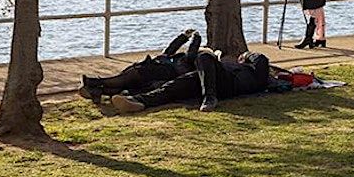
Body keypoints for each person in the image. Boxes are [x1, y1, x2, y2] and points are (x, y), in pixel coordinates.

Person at [111, 50, 272, 114]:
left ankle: (210, 97)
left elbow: (261, 59)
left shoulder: (252, 71)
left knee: (204, 56)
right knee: (174, 86)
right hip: (205, 79)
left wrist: (246, 54)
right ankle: (139, 101)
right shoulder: (231, 66)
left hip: (230, 84)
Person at [79, 29, 200, 103]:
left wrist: (196, 39)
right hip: (150, 69)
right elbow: (170, 49)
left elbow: (191, 53)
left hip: (153, 72)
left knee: (125, 80)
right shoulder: (173, 58)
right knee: (124, 82)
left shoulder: (188, 64)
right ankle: (99, 91)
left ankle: (95, 83)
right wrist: (184, 36)